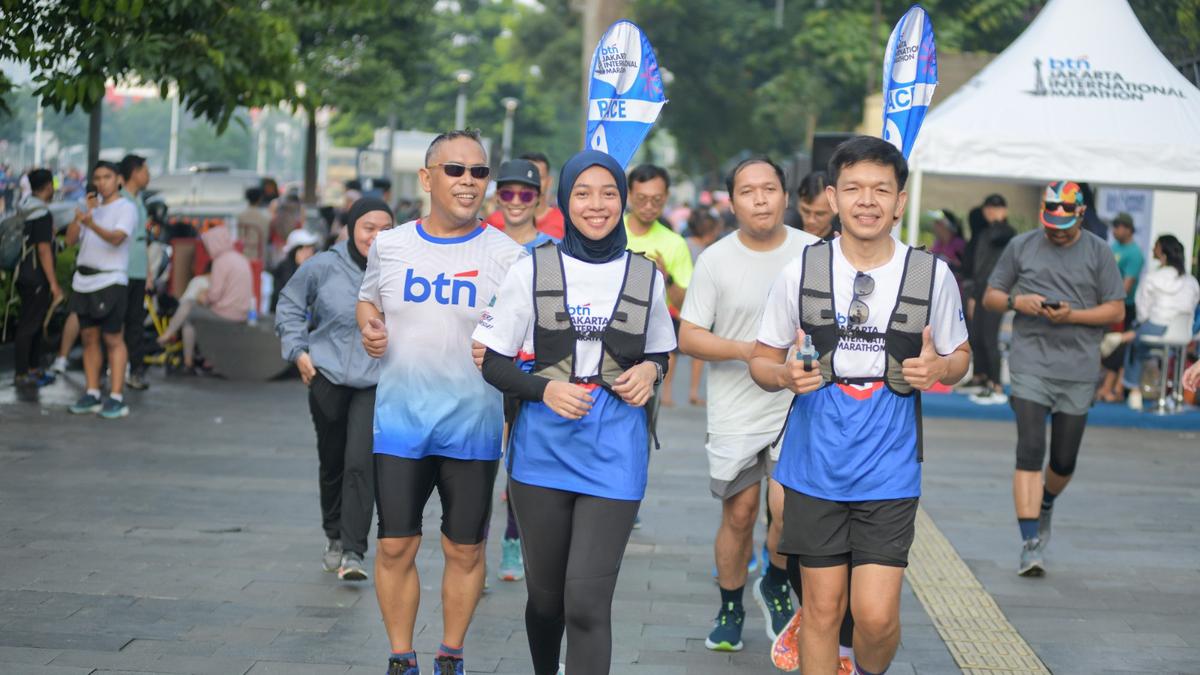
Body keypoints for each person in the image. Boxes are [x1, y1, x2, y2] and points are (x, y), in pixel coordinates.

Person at [750, 136, 970, 675]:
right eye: (853, 189)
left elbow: (960, 355)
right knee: (822, 610)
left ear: (900, 201)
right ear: (833, 197)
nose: (866, 200)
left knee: (875, 617)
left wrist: (939, 368)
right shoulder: (801, 270)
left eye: (881, 190)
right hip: (813, 463)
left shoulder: (930, 274)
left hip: (889, 470)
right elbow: (762, 359)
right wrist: (784, 375)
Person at [473, 149, 674, 675]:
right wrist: (544, 391)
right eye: (583, 193)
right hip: (541, 451)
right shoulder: (531, 269)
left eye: (609, 193)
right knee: (546, 600)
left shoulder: (644, 276)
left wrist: (651, 373)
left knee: (586, 602)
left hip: (616, 451)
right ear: (564, 200)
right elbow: (492, 363)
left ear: (623, 201)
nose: (597, 204)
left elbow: (659, 352)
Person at [356, 130, 525, 675]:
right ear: (427, 179)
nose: (469, 182)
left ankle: (450, 655)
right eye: (455, 170)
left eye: (479, 172)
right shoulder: (391, 244)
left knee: (466, 550)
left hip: (472, 426)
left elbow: (526, 341)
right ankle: (401, 658)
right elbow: (367, 303)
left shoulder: (508, 256)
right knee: (394, 548)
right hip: (401, 424)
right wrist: (371, 331)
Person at [678, 157, 820, 656]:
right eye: (747, 191)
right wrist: (749, 350)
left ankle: (776, 578)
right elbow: (689, 334)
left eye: (769, 189)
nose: (760, 199)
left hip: (796, 406)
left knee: (787, 511)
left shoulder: (815, 254)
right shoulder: (716, 259)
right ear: (732, 201)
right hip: (736, 408)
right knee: (739, 514)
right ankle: (731, 603)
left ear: (786, 197)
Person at [982, 180, 1125, 577]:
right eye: (1049, 225)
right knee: (1029, 449)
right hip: (1030, 362)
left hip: (1079, 368)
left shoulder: (1099, 252)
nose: (1055, 232)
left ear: (1080, 215)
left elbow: (1115, 308)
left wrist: (1073, 315)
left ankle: (1045, 503)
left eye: (1062, 226)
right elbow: (992, 295)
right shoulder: (1023, 245)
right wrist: (1017, 302)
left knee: (1063, 459)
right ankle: (1030, 543)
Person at [276, 198, 393, 582]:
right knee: (332, 462)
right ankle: (333, 535)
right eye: (368, 228)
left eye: (385, 228)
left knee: (360, 461)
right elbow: (290, 304)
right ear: (351, 229)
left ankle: (354, 551)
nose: (376, 237)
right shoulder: (324, 265)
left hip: (375, 380)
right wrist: (298, 352)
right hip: (324, 376)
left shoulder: (401, 269)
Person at [64, 162, 139, 418]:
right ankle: (92, 391)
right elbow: (70, 240)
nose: (102, 182)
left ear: (118, 179)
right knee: (88, 338)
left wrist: (92, 223)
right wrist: (84, 215)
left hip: (110, 281)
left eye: (107, 177)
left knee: (112, 338)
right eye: (97, 178)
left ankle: (116, 396)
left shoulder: (126, 208)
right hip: (84, 280)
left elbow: (118, 239)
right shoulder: (90, 209)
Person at [625, 164, 692, 407]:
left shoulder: (675, 244)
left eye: (657, 200)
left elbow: (685, 305)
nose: (649, 206)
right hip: (605, 337)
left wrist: (667, 277)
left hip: (647, 345)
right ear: (630, 195)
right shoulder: (610, 231)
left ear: (666, 198)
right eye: (642, 198)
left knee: (639, 418)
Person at [157, 225, 253, 373]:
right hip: (242, 313)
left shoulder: (221, 261)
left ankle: (183, 355)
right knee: (191, 309)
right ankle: (174, 338)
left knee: (189, 312)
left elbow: (214, 295)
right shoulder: (240, 258)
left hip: (225, 314)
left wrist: (203, 296)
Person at [1120, 235, 1199, 410]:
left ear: (1162, 252)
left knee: (1135, 340)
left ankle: (1133, 390)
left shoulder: (1152, 278)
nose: (1152, 250)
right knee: (1171, 350)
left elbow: (1142, 310)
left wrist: (1140, 325)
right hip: (1183, 333)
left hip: (1156, 329)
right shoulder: (1191, 281)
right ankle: (1174, 394)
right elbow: (1193, 307)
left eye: (1155, 246)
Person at [962, 194, 1016, 406]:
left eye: (998, 208)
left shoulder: (1007, 232)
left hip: (998, 291)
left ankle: (997, 384)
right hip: (981, 289)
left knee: (990, 336)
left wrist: (998, 220)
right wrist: (974, 295)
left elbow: (1000, 236)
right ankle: (981, 378)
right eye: (989, 208)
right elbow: (978, 266)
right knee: (976, 335)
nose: (993, 212)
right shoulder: (981, 234)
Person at [12, 169, 62, 387]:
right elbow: (43, 250)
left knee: (30, 321)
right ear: (49, 186)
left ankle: (32, 368)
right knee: (30, 325)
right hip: (36, 276)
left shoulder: (24, 206)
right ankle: (23, 372)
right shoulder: (41, 213)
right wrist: (53, 283)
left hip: (22, 272)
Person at [1096, 212, 1145, 402]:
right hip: (1106, 303)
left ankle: (1115, 388)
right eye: (1114, 226)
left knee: (1118, 346)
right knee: (1107, 346)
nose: (1114, 230)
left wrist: (1111, 304)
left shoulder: (1134, 253)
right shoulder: (1112, 247)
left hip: (1123, 307)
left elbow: (1127, 284)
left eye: (1118, 226)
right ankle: (1107, 387)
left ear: (1129, 229)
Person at [118, 154, 152, 391]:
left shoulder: (139, 201)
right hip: (121, 270)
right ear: (135, 172)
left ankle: (134, 370)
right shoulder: (120, 201)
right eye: (145, 171)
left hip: (138, 270)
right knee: (116, 323)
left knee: (135, 322)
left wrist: (148, 272)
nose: (148, 176)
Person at [682, 207, 722, 406]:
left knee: (671, 352)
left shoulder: (684, 245)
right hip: (703, 305)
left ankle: (666, 393)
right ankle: (694, 391)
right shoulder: (710, 252)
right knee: (699, 352)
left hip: (678, 302)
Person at [494, 159, 559, 253]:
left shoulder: (551, 250)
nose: (515, 202)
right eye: (507, 194)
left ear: (538, 198)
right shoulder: (484, 246)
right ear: (497, 196)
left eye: (526, 195)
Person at [271, 228, 321, 312]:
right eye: (305, 248)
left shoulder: (312, 268)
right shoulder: (285, 268)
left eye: (310, 248)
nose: (310, 252)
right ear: (296, 251)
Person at [790, 171, 838, 241]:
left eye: (820, 214)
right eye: (805, 211)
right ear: (798, 202)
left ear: (835, 208)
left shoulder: (842, 245)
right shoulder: (783, 234)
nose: (811, 221)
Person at [236, 186, 271, 265]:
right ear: (260, 199)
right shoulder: (265, 217)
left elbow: (239, 236)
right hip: (259, 255)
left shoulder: (240, 216)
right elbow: (266, 237)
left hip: (243, 254)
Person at [930, 210, 966, 280]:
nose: (934, 225)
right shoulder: (937, 243)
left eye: (938, 223)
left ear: (946, 225)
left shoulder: (959, 244)